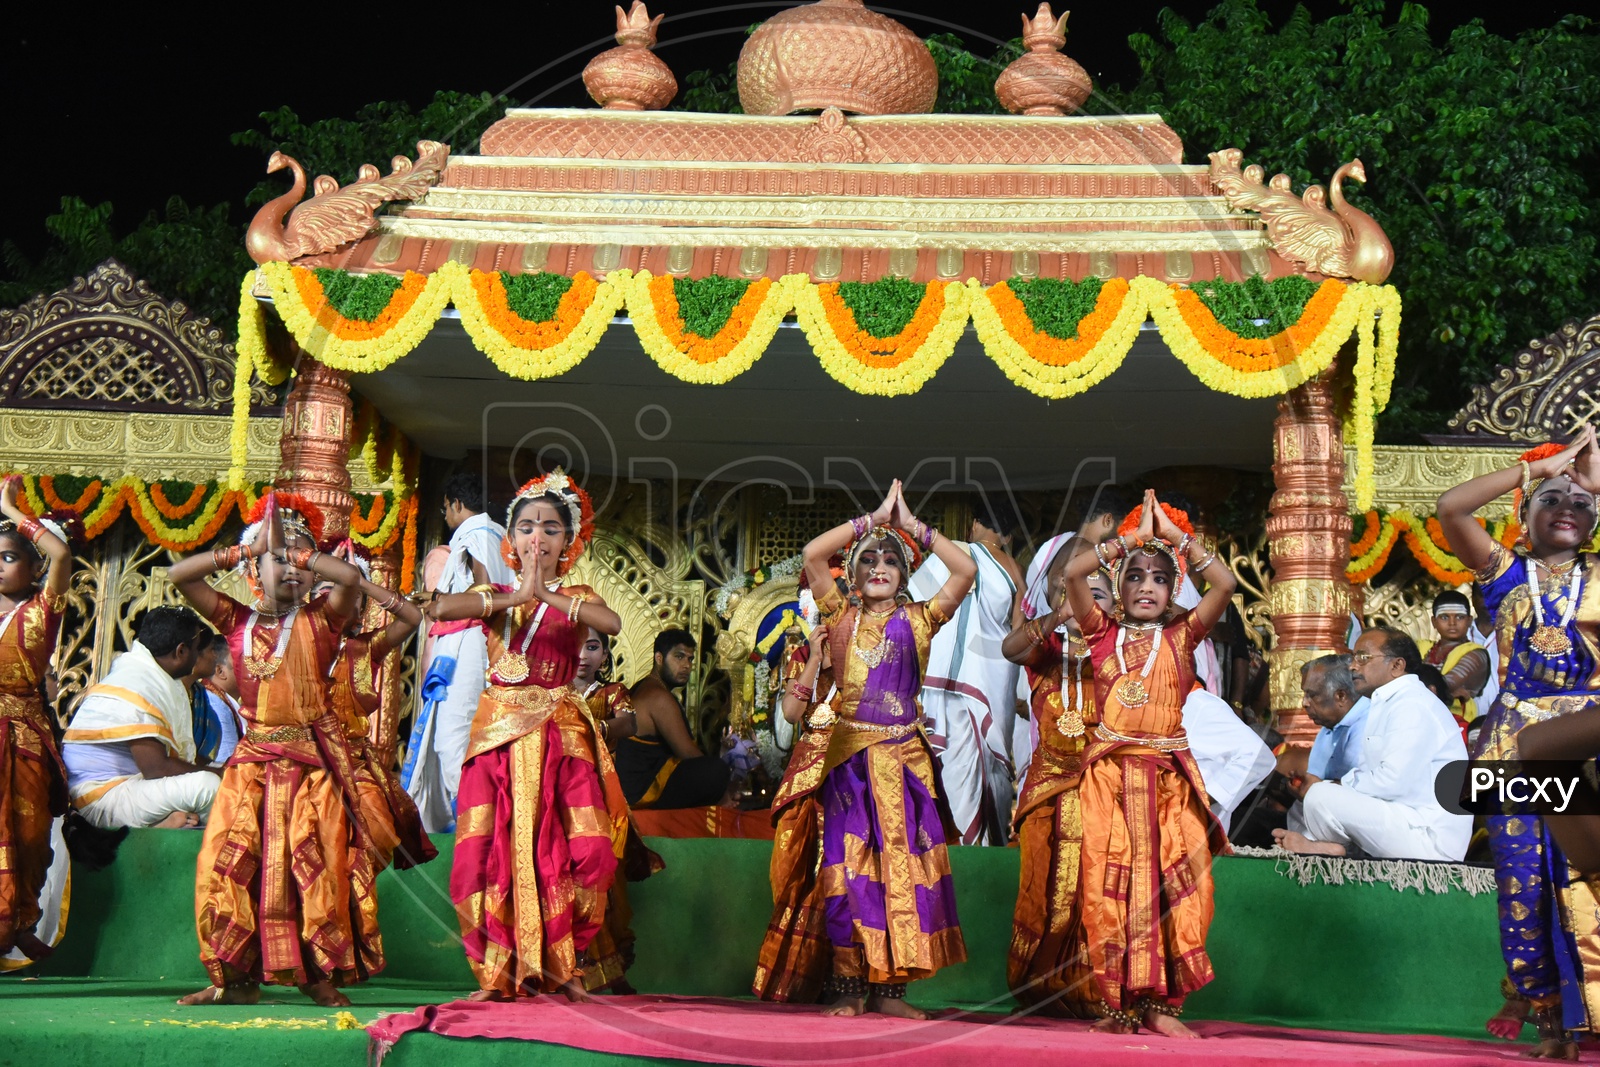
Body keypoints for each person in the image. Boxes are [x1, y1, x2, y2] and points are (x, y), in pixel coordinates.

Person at [761, 480, 975, 1019]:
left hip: (904, 763)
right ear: (851, 575)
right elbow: (813, 554)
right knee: (845, 870)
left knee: (901, 874)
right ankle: (850, 986)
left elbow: (966, 571)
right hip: (848, 764)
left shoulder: (921, 620)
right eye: (866, 560)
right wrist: (872, 518)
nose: (878, 566)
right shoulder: (838, 618)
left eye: (891, 560)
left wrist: (914, 527)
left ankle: (889, 992)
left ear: (905, 575)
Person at [426, 468, 627, 1002]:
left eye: (551, 528)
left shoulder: (579, 593)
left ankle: (569, 966)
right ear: (509, 539)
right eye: (527, 526)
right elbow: (444, 609)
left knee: (588, 854)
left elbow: (611, 625)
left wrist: (547, 595)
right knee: (478, 858)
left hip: (561, 741)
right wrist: (520, 598)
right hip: (495, 739)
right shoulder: (491, 593)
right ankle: (496, 973)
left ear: (570, 540)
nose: (538, 536)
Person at [168, 491, 375, 1007]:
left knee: (315, 867)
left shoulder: (324, 619)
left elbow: (348, 578)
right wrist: (247, 548)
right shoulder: (236, 623)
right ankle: (234, 981)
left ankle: (316, 975)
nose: (293, 568)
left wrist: (298, 552)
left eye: (303, 560)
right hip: (252, 765)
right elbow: (180, 577)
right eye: (277, 560)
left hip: (310, 768)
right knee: (229, 864)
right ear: (253, 571)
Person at [1437, 430, 1600, 1057]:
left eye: (1581, 502)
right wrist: (1538, 470)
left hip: (1583, 742)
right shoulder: (1506, 573)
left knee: (1585, 876)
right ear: (1525, 515)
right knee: (1524, 884)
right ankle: (1552, 1022)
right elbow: (1452, 508)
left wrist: (1594, 481)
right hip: (1512, 741)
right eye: (1551, 499)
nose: (1567, 506)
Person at [1059, 489, 1234, 1037]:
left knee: (1180, 889)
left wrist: (1179, 541)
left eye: (1160, 578)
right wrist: (1131, 540)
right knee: (1107, 889)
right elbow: (1071, 576)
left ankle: (1163, 1007)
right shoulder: (1100, 633)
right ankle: (1118, 1007)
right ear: (1117, 584)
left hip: (1168, 781)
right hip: (1110, 778)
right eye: (1136, 576)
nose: (1147, 587)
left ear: (1175, 587)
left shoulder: (1184, 637)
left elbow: (1225, 584)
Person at [1000, 539, 1109, 1017]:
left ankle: (1094, 986)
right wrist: (1061, 617)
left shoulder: (1121, 649)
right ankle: (1041, 982)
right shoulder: (1046, 646)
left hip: (1104, 785)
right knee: (1046, 883)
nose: (1085, 598)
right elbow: (1011, 649)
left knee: (1097, 885)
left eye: (1098, 592)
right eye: (1072, 588)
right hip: (1048, 786)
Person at [1273, 626, 1471, 862]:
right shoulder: (1386, 703)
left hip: (1430, 836)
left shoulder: (1413, 704)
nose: (1353, 666)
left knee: (1320, 795)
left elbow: (1391, 782)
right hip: (1406, 821)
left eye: (1364, 658)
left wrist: (1338, 785)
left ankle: (1332, 849)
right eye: (1354, 657)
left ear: (1396, 666)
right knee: (1311, 800)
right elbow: (1373, 777)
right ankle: (1329, 847)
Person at [908, 497, 1026, 846]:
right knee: (986, 767)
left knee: (942, 760)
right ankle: (983, 846)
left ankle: (940, 844)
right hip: (991, 682)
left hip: (934, 680)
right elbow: (1019, 633)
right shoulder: (1015, 570)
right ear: (1006, 536)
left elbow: (913, 604)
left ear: (975, 524)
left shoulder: (951, 554)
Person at [404, 472, 514, 833]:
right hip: (471, 644)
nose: (445, 515)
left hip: (467, 646)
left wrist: (442, 605)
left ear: (456, 504)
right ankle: (462, 825)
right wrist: (440, 601)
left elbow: (486, 593)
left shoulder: (477, 534)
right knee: (453, 740)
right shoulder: (497, 534)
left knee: (454, 741)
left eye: (446, 508)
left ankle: (476, 830)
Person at [322, 542, 436, 876]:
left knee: (378, 830)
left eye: (351, 599)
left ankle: (352, 904)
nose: (340, 605)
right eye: (331, 594)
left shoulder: (363, 648)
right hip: (305, 757)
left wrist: (358, 580)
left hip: (353, 762)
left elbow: (412, 617)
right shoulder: (293, 640)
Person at [62, 606, 220, 830]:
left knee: (216, 777)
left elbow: (181, 760)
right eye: (196, 649)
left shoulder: (154, 676)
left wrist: (225, 768)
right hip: (102, 797)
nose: (197, 657)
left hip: (130, 784)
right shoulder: (139, 684)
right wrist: (221, 774)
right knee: (209, 786)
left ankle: (167, 823)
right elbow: (156, 768)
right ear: (181, 651)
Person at [0, 478, 73, 962]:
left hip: (21, 736)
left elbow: (63, 556)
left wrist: (9, 508)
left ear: (33, 567)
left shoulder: (39, 613)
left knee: (27, 838)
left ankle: (19, 919)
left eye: (8, 556)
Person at [753, 603, 838, 1004]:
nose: (847, 615)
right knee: (797, 873)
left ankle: (844, 979)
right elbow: (790, 712)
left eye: (855, 607)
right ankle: (801, 976)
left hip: (853, 775)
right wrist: (816, 660)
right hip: (806, 783)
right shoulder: (806, 655)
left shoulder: (876, 654)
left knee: (840, 876)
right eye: (839, 608)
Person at [572, 627, 659, 995]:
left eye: (592, 647)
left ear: (604, 657)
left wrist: (597, 727)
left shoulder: (611, 694)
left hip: (602, 802)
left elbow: (631, 722)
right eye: (574, 645)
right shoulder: (548, 694)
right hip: (560, 802)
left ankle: (613, 974)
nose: (582, 654)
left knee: (606, 886)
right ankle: (569, 973)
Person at [617, 629, 730, 809]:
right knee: (716, 770)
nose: (686, 665)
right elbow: (688, 753)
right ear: (659, 658)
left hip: (639, 783)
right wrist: (723, 792)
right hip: (641, 789)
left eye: (690, 659)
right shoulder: (657, 696)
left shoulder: (648, 686)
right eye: (679, 657)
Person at [1282, 654, 1371, 832]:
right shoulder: (1328, 727)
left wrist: (1317, 789)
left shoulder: (1369, 723)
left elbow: (1364, 791)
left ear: (1340, 696)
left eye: (1312, 695)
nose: (1304, 703)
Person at [1418, 590, 1490, 727]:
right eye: (1444, 617)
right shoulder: (1422, 647)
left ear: (1469, 621)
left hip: (1456, 725)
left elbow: (1442, 687)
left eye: (1459, 617)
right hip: (1420, 721)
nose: (1452, 623)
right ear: (1434, 621)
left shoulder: (1476, 654)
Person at [200, 640, 243, 768]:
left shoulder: (221, 700)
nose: (250, 671)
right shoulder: (216, 705)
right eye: (241, 664)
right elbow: (227, 765)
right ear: (220, 671)